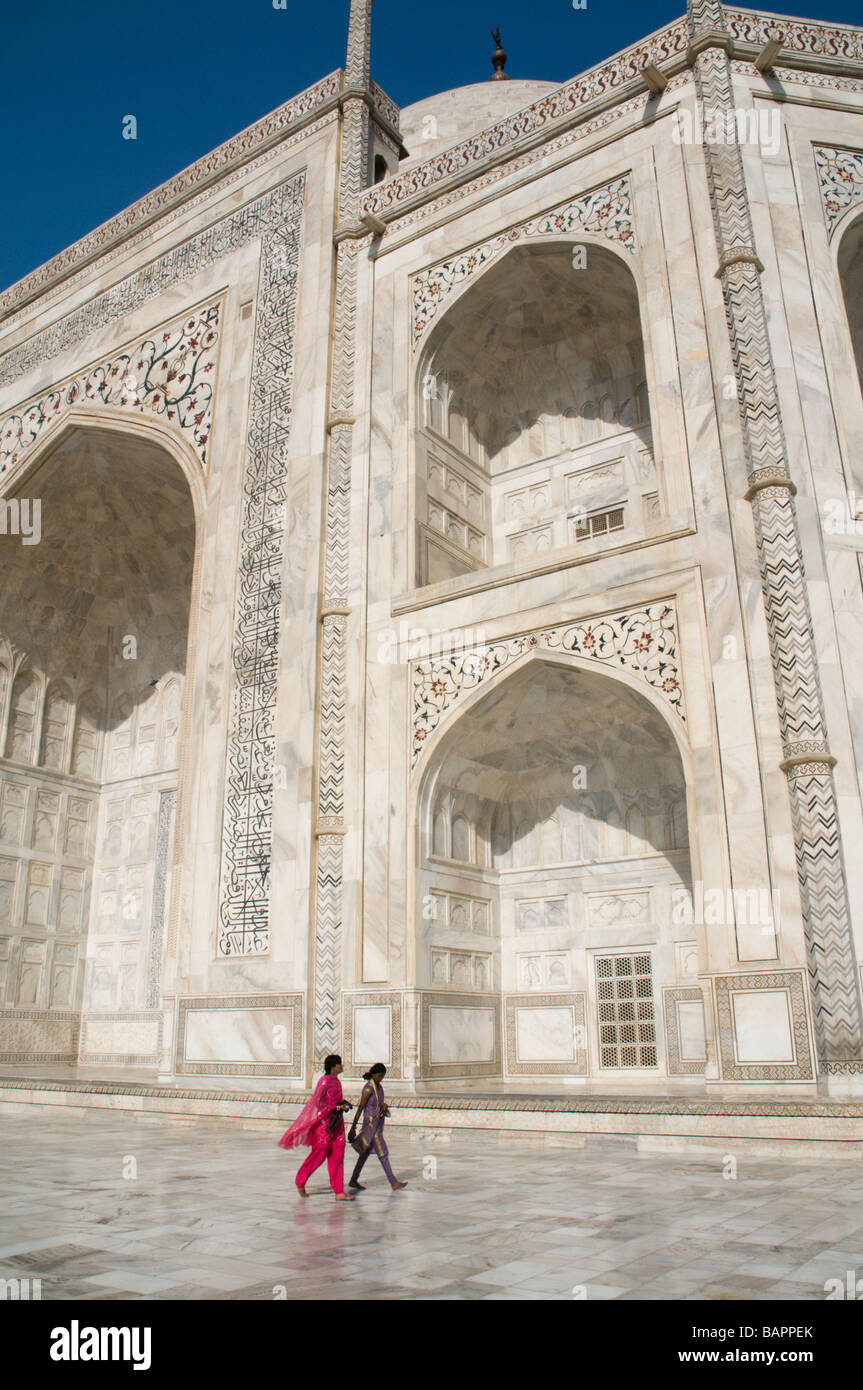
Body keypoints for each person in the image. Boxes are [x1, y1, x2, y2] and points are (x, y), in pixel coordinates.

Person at [278, 1054, 354, 1201]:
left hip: (337, 1124)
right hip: (325, 1125)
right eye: (340, 1064)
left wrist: (342, 1106)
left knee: (338, 1155)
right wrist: (335, 1108)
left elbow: (335, 1101)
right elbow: (317, 1103)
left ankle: (339, 1191)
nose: (341, 1066)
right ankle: (300, 1181)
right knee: (319, 1155)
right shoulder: (324, 1082)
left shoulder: (336, 1081)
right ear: (334, 1066)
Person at [347, 1064, 407, 1192]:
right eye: (379, 1076)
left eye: (382, 1077)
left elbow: (377, 1103)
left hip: (377, 1123)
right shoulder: (368, 1089)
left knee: (364, 1153)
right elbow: (361, 1108)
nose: (380, 1079)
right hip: (371, 1126)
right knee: (383, 1152)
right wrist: (353, 1127)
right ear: (373, 1074)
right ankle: (393, 1181)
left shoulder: (379, 1088)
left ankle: (353, 1179)